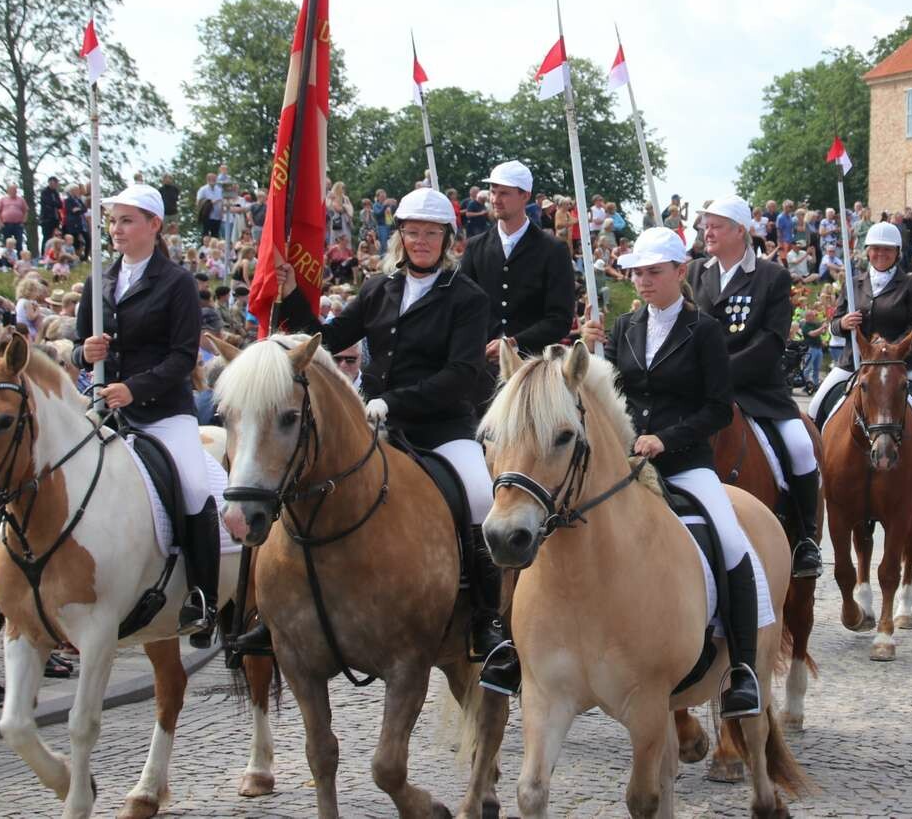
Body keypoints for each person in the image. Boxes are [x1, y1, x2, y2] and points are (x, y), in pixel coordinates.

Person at [305, 188, 505, 672]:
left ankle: (485, 616)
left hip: (441, 426)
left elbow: (462, 373)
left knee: (481, 496)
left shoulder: (467, 297)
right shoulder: (378, 286)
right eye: (412, 232)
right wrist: (290, 293)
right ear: (400, 235)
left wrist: (392, 401)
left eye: (430, 234)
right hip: (375, 422)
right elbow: (330, 337)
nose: (420, 241)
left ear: (447, 239)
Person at [579, 226, 765, 718]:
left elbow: (718, 408)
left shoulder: (703, 330)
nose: (643, 281)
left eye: (654, 272)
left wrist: (668, 437)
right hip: (628, 461)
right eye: (637, 272)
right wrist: (586, 349)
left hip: (685, 463)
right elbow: (609, 394)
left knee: (729, 541)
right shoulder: (622, 327)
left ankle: (743, 669)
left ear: (680, 273)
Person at [73, 185, 220, 645]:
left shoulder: (176, 282)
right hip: (105, 406)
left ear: (154, 225)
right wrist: (83, 352)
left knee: (195, 487)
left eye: (127, 221)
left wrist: (133, 389)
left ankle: (203, 596)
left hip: (161, 412)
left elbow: (182, 357)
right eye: (113, 222)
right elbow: (80, 344)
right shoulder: (99, 280)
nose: (117, 230)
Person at [690, 196, 825, 575]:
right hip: (699, 389)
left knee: (800, 447)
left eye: (716, 225)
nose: (707, 231)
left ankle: (805, 538)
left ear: (740, 230)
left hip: (756, 390)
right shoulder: (697, 272)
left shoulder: (771, 276)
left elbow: (770, 341)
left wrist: (719, 373)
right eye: (706, 225)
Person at [806, 220, 912, 498]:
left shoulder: (909, 285)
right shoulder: (854, 283)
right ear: (867, 251)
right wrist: (843, 323)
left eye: (887, 250)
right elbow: (835, 323)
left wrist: (892, 351)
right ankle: (810, 470)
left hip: (903, 362)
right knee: (814, 408)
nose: (880, 254)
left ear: (897, 252)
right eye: (875, 249)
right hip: (856, 362)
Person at [460, 161, 575, 387]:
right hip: (482, 369)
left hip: (535, 368)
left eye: (504, 193)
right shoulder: (475, 247)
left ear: (525, 196)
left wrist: (515, 342)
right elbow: (464, 307)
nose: (495, 199)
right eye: (493, 192)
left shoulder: (553, 249)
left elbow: (559, 319)